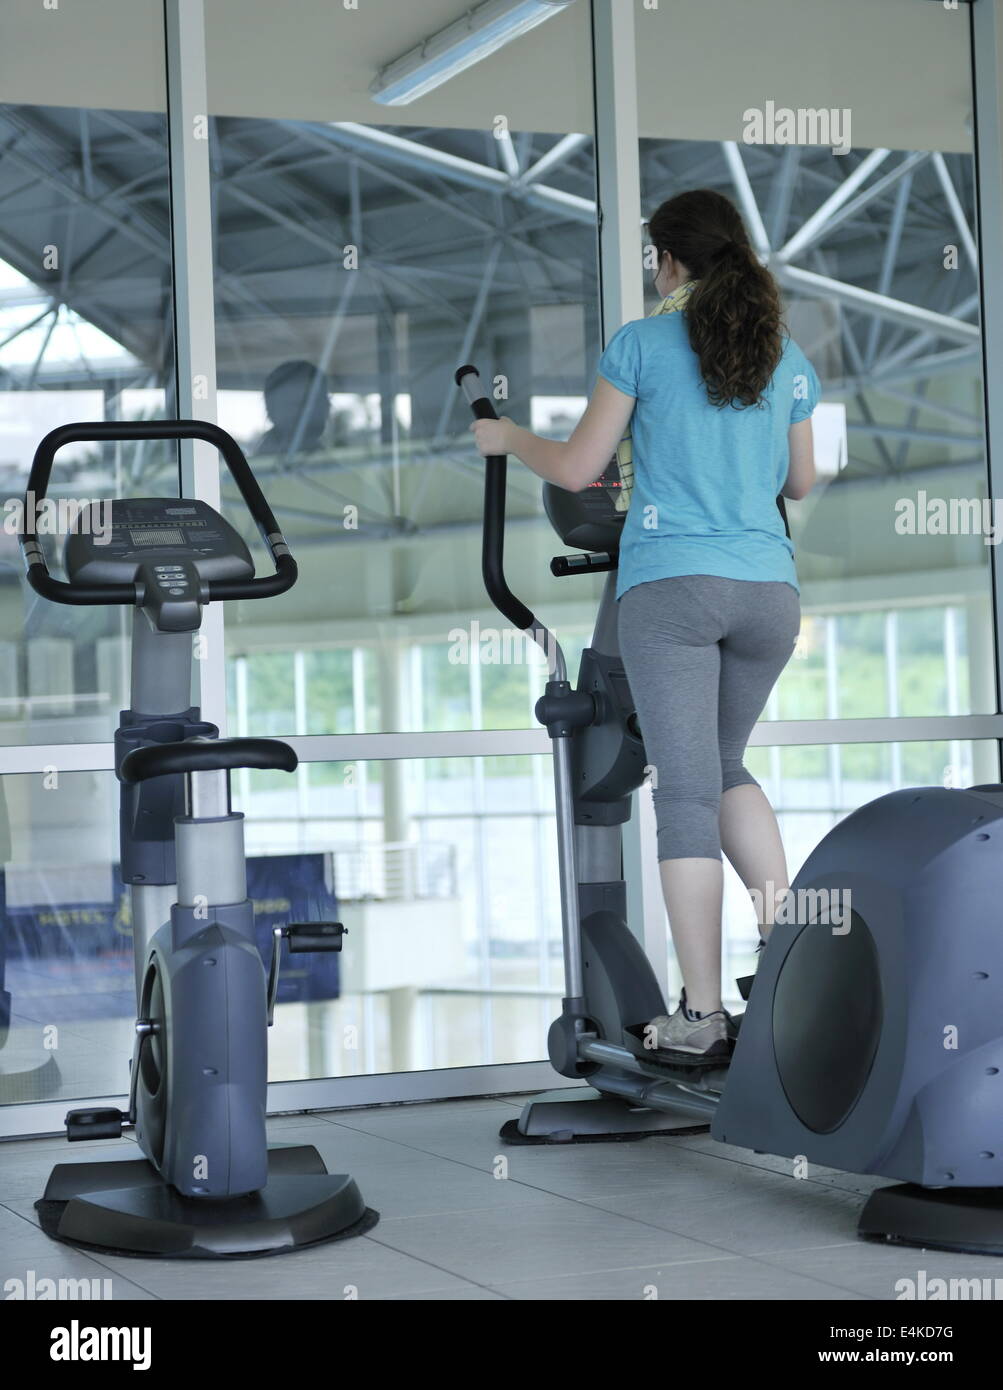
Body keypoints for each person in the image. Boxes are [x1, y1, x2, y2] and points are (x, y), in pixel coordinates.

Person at [470, 188, 819, 1057]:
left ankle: (700, 1016)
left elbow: (582, 462)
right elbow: (800, 481)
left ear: (667, 261)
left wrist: (509, 439)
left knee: (687, 791)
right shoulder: (784, 352)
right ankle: (788, 952)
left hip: (673, 588)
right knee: (728, 765)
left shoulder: (640, 343)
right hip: (769, 594)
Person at [254, 360, 331, 458]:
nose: (316, 409)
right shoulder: (259, 469)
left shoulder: (327, 462)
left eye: (320, 399)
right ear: (271, 411)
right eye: (301, 403)